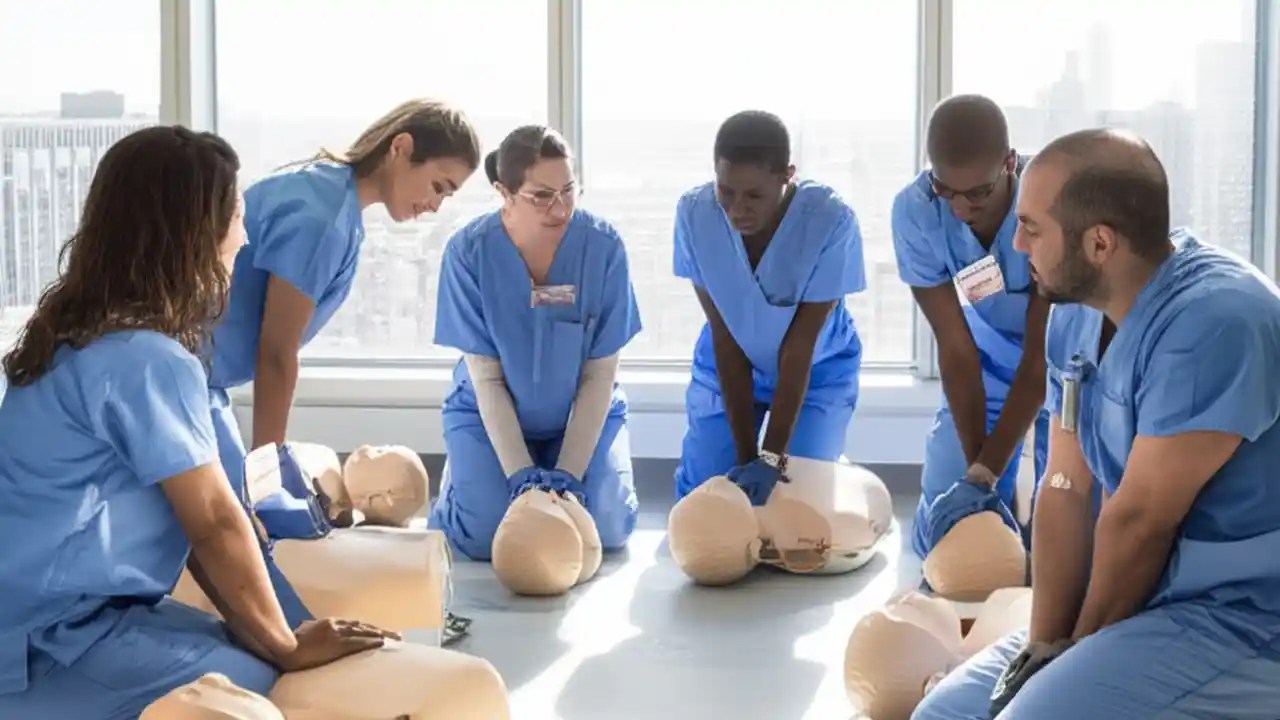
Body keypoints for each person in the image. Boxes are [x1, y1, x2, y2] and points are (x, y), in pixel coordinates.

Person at [0, 126, 396, 719]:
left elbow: (197, 529)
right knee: (251, 673)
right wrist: (285, 645)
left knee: (236, 638)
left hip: (49, 615)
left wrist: (273, 629)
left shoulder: (72, 334)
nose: (245, 234)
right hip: (43, 647)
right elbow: (213, 522)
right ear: (196, 234)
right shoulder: (147, 360)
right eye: (237, 214)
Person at [914, 128, 1280, 719]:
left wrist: (1077, 655)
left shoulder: (1217, 324)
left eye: (1031, 228)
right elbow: (1064, 487)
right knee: (943, 714)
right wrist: (1044, 644)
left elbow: (1138, 522)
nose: (1015, 242)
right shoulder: (1075, 312)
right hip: (1154, 594)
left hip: (1242, 615)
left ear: (1100, 243)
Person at [207, 99, 481, 501]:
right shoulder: (325, 219)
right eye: (438, 185)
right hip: (181, 377)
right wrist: (268, 482)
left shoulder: (325, 189)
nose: (436, 204)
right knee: (241, 521)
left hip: (197, 379)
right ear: (400, 148)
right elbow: (277, 353)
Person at [428, 125, 643, 561]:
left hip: (580, 411)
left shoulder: (602, 247)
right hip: (487, 412)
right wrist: (520, 474)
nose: (560, 207)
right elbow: (486, 379)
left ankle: (570, 472)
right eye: (541, 195)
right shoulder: (468, 253)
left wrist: (568, 472)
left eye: (569, 190)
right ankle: (464, 482)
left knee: (606, 527)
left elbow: (599, 375)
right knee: (485, 535)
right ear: (504, 193)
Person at [671, 110, 867, 505]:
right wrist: (746, 458)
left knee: (796, 509)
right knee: (709, 502)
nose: (736, 209)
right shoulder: (695, 215)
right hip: (725, 364)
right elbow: (725, 337)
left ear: (787, 175)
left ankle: (826, 463)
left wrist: (772, 457)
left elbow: (799, 348)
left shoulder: (831, 220)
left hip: (815, 370)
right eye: (726, 192)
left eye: (754, 195)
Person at [891, 95, 1050, 558]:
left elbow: (1041, 362)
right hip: (987, 364)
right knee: (947, 530)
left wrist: (986, 473)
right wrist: (975, 478)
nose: (960, 209)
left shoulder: (1051, 200)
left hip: (1072, 370)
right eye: (946, 190)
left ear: (1010, 164)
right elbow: (956, 348)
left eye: (978, 192)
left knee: (1064, 538)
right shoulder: (917, 211)